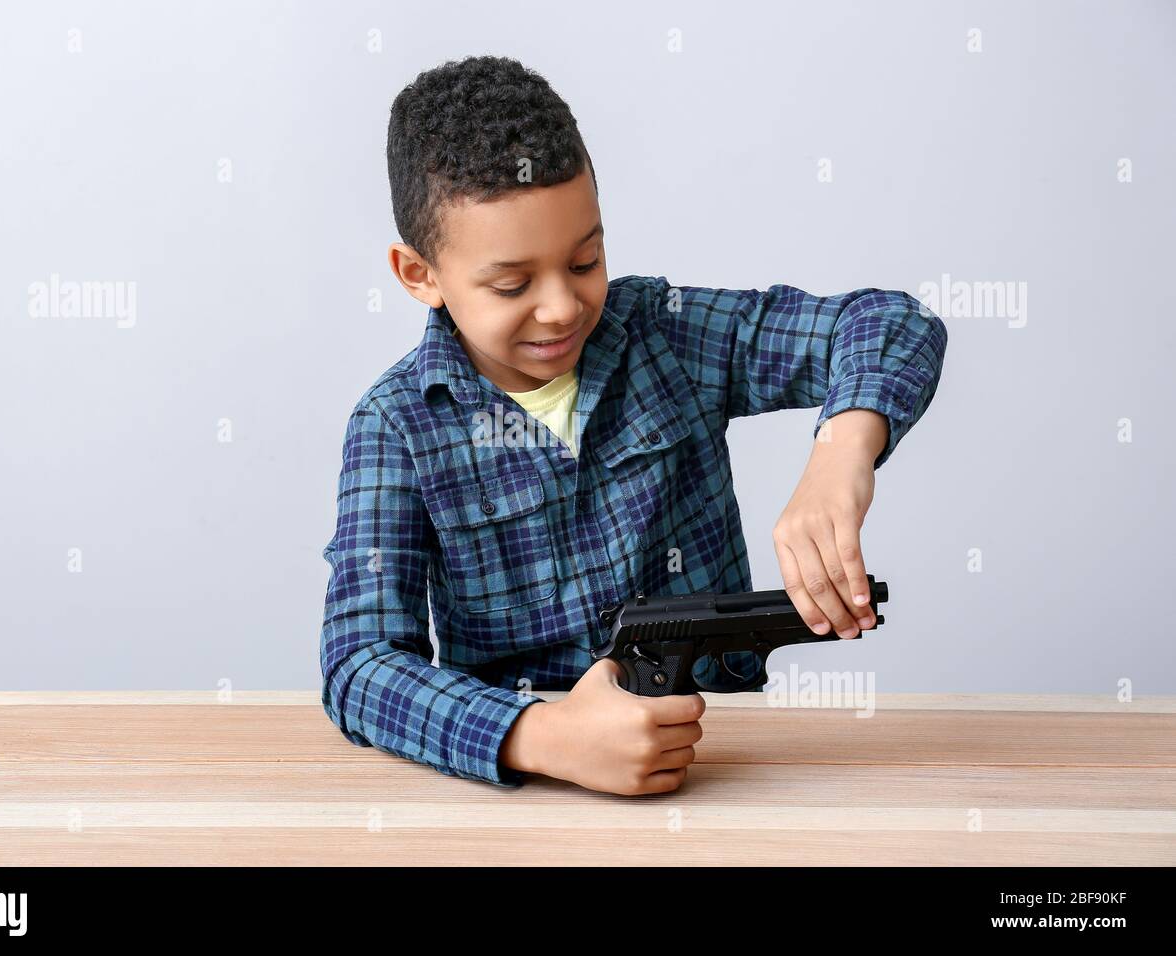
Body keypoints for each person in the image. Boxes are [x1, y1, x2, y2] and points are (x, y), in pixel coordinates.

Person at [318, 55, 947, 795]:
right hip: (519, 799)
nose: (561, 307)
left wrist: (843, 450)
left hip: (722, 770)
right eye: (513, 284)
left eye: (585, 260)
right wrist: (539, 736)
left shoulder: (667, 334)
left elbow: (892, 321)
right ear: (420, 274)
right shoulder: (395, 426)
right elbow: (359, 665)